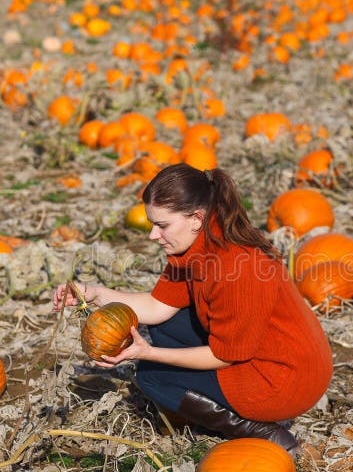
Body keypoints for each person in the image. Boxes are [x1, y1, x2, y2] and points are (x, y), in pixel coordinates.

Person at [52, 163, 333, 452]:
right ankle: (208, 398)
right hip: (265, 351)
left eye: (162, 225)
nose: (152, 235)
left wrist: (149, 353)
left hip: (286, 378)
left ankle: (262, 431)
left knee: (152, 376)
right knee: (164, 326)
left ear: (196, 219)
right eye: (152, 224)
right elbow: (156, 306)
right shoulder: (196, 247)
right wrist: (95, 293)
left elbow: (224, 355)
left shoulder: (237, 268)